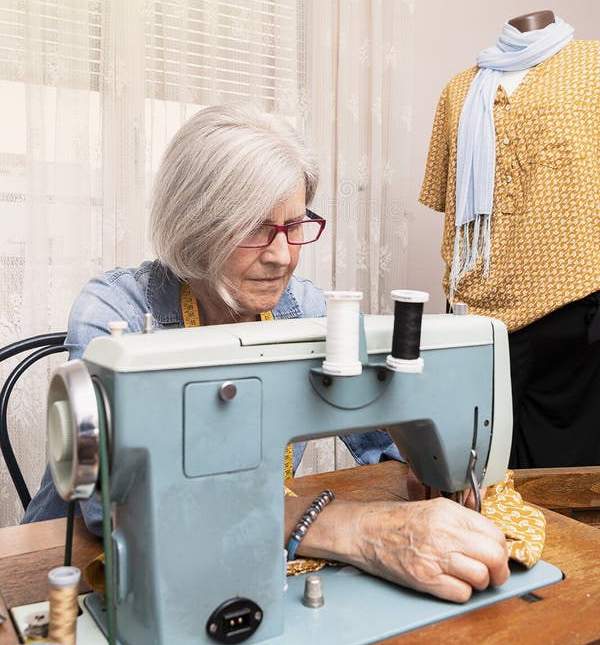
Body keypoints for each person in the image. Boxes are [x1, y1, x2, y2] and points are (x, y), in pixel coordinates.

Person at [23, 105, 508, 602]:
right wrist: (343, 526)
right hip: (69, 578)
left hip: (234, 566)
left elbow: (386, 428)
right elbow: (122, 507)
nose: (282, 256)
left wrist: (430, 471)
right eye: (255, 228)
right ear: (195, 224)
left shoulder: (309, 311)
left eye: (294, 225)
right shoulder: (113, 311)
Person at [420, 11, 600, 469]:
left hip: (571, 301)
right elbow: (446, 196)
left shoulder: (592, 66)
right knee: (477, 470)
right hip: (474, 312)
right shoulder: (460, 89)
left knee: (572, 482)